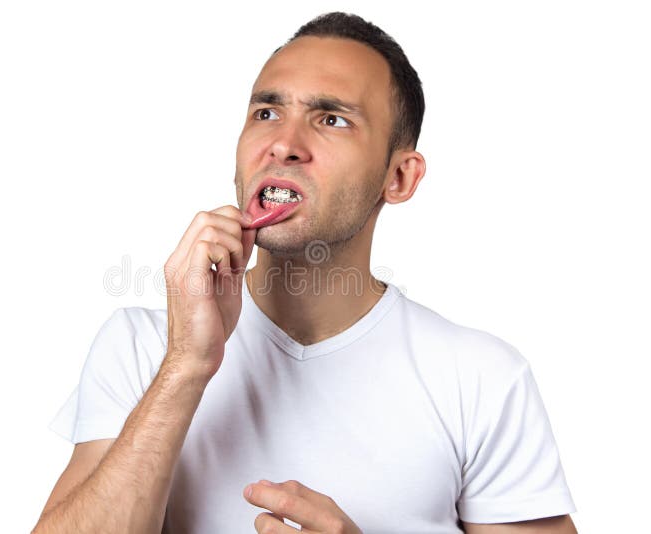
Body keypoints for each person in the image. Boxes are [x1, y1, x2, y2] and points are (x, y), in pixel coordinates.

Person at [32, 12, 578, 534]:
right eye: (266, 113)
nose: (284, 145)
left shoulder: (481, 379)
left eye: (331, 119)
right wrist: (186, 366)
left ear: (400, 177)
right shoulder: (142, 348)